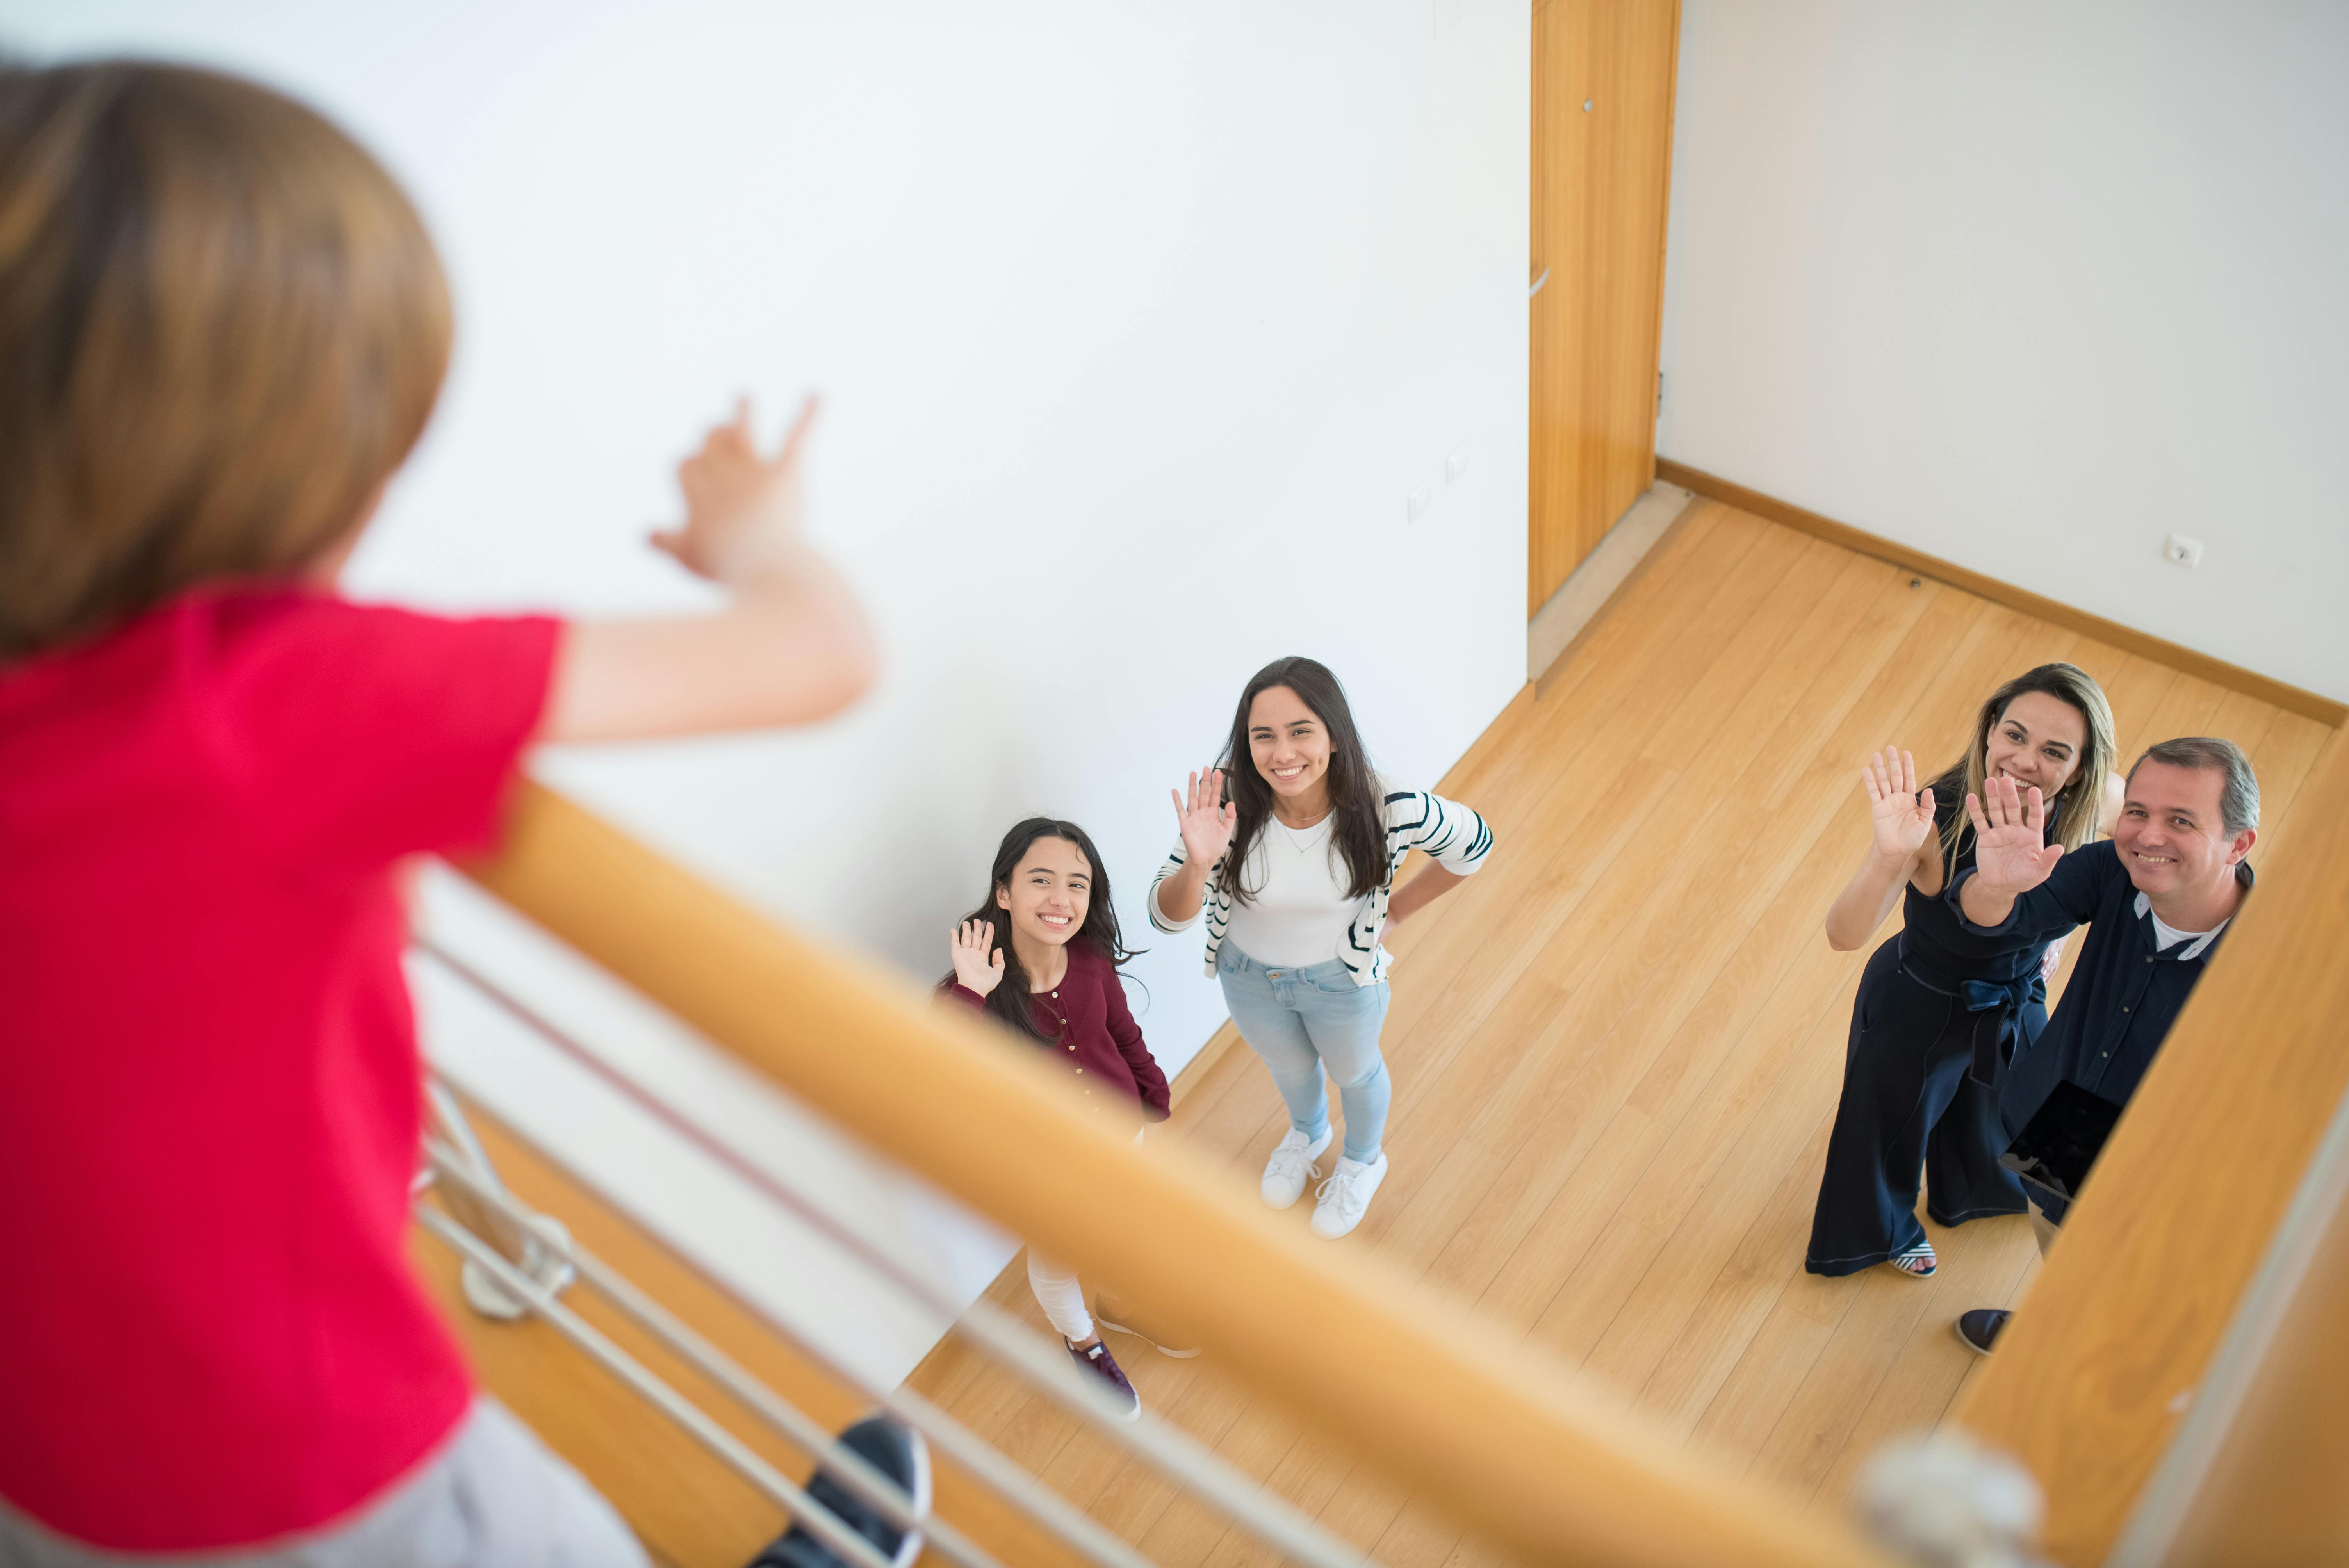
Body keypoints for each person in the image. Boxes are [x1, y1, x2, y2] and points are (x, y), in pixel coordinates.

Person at [0, 61, 875, 1565]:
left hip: (46, 1450)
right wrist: (759, 536)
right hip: (306, 1463)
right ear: (273, 475)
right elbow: (821, 656)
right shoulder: (266, 705)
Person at [1150, 657, 1494, 1240]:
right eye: (1264, 737)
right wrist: (1199, 862)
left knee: (1356, 1074)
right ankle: (1309, 1134)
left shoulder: (1391, 806)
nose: (1282, 754)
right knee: (1287, 1065)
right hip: (1248, 975)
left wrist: (1400, 912)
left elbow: (1475, 845)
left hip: (1342, 980)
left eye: (1300, 731)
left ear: (1334, 735)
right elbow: (1167, 920)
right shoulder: (1228, 800)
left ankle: (1362, 1159)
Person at [1946, 738, 2259, 1354]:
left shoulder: (2277, 954)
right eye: (2138, 812)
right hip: (2061, 1119)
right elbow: (1989, 919)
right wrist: (1996, 885)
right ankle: (2056, 1332)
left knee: (2143, 1303)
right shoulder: (2108, 869)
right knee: (2060, 1242)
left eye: (2182, 821)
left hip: (2169, 1172)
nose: (2148, 836)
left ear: (2239, 844)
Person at [1807, 665, 2119, 1280]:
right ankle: (1884, 1228)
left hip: (2017, 993)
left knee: (2036, 1100)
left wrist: (2049, 944)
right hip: (1920, 1002)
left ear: (2082, 769)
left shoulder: (2102, 801)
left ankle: (1990, 1192)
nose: (2026, 761)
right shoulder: (1937, 814)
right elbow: (1843, 936)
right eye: (2015, 735)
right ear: (1989, 731)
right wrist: (1886, 855)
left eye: (2055, 751)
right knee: (1889, 1129)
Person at [941, 819, 1175, 1421]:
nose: (1061, 899)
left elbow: (1122, 1030)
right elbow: (937, 1072)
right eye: (1040, 880)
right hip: (1040, 1165)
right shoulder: (973, 986)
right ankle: (1084, 1344)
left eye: (1078, 883)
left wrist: (1150, 1087)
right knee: (1057, 1260)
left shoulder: (1092, 962)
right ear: (1003, 893)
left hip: (1120, 1135)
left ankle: (1121, 1301)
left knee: (1130, 1223)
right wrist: (972, 991)